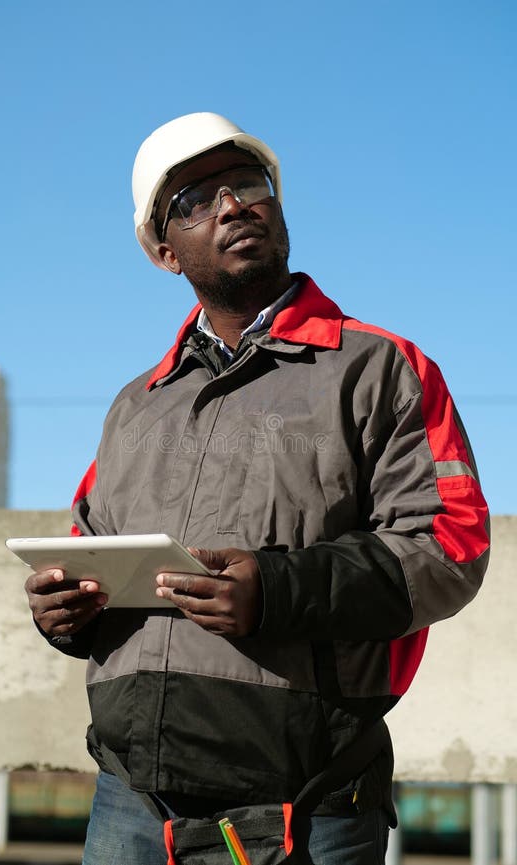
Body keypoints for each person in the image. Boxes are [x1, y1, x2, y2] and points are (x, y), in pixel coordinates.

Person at [25, 113, 490, 865]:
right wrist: (64, 614)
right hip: (129, 804)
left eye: (247, 185)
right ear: (166, 254)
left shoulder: (381, 370)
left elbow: (451, 548)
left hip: (306, 812)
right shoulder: (136, 405)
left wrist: (275, 588)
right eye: (195, 200)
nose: (233, 206)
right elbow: (89, 550)